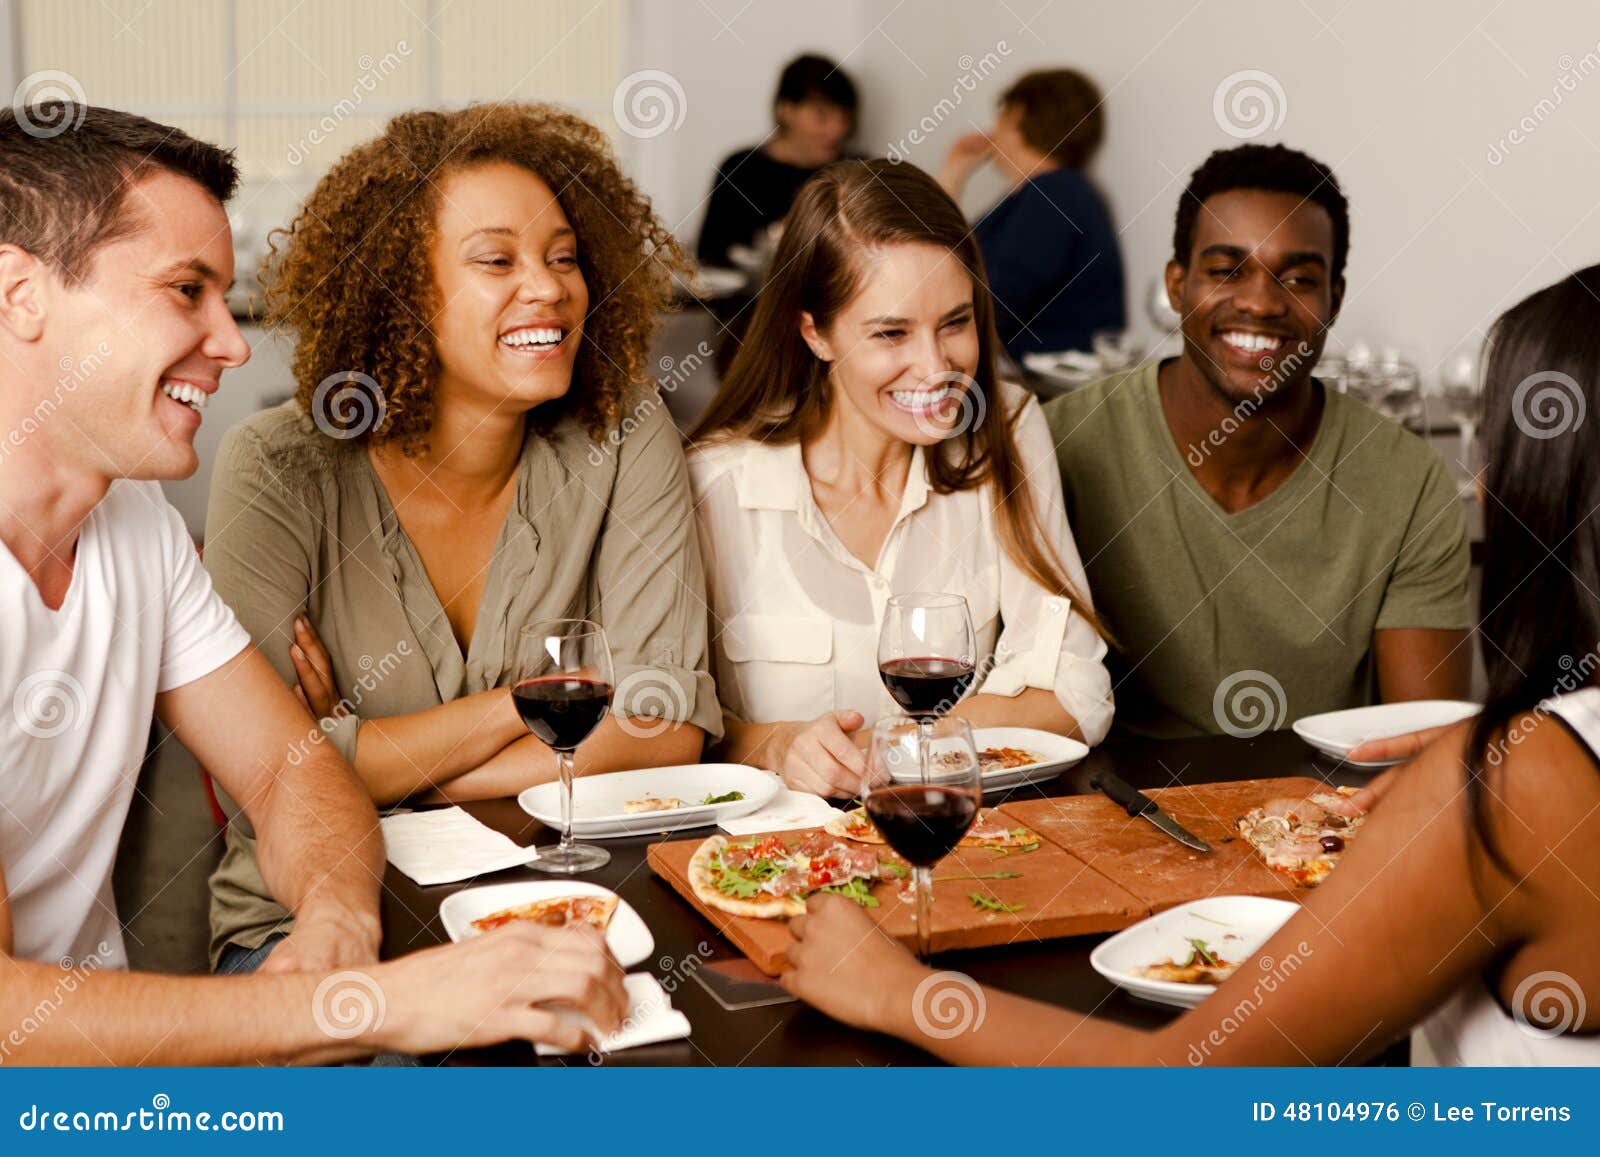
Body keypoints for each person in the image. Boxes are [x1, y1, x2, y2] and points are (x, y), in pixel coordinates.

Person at [780, 266, 1600, 1064]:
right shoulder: (1519, 771)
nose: (1485, 482)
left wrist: (896, 992)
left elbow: (1182, 1091)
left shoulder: (1517, 789)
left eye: (1503, 448)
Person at [0, 103, 624, 1062]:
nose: (235, 342)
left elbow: (292, 772)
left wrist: (337, 924)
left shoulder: (140, 533)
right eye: (185, 290)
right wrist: (374, 1005)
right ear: (21, 294)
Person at [202, 104, 722, 974]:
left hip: (573, 900)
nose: (549, 287)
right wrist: (533, 703)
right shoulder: (278, 469)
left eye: (564, 257)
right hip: (321, 929)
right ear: (400, 292)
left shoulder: (624, 430)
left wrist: (368, 755)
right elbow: (260, 776)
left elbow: (667, 723)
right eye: (497, 260)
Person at [687, 159, 1113, 799]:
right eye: (892, 333)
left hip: (962, 848)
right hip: (776, 865)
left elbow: (1076, 691)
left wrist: (890, 748)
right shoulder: (715, 483)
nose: (936, 368)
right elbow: (669, 725)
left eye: (955, 323)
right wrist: (773, 747)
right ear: (816, 333)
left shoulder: (1008, 430)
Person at [1043, 144, 1472, 739]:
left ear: (1334, 300)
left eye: (1297, 279)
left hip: (1325, 818)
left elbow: (1427, 751)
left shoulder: (1409, 483)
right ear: (1176, 285)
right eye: (1226, 270)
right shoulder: (1060, 445)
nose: (1261, 303)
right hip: (1108, 814)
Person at [938, 69, 1125, 361]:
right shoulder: (1044, 194)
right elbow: (945, 261)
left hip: (1047, 382)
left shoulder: (1054, 194)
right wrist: (954, 173)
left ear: (1015, 115)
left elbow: (988, 302)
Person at [695, 54, 858, 269]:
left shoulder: (855, 172)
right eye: (822, 116)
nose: (836, 130)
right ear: (786, 109)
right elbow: (708, 256)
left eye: (844, 118)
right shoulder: (740, 168)